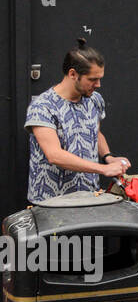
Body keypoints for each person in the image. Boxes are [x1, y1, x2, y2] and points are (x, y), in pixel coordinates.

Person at [26, 40, 130, 204]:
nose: (98, 84)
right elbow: (54, 155)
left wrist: (108, 157)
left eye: (100, 79)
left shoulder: (94, 99)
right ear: (73, 74)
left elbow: (94, 133)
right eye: (92, 79)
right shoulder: (42, 106)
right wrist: (103, 169)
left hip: (89, 197)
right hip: (52, 203)